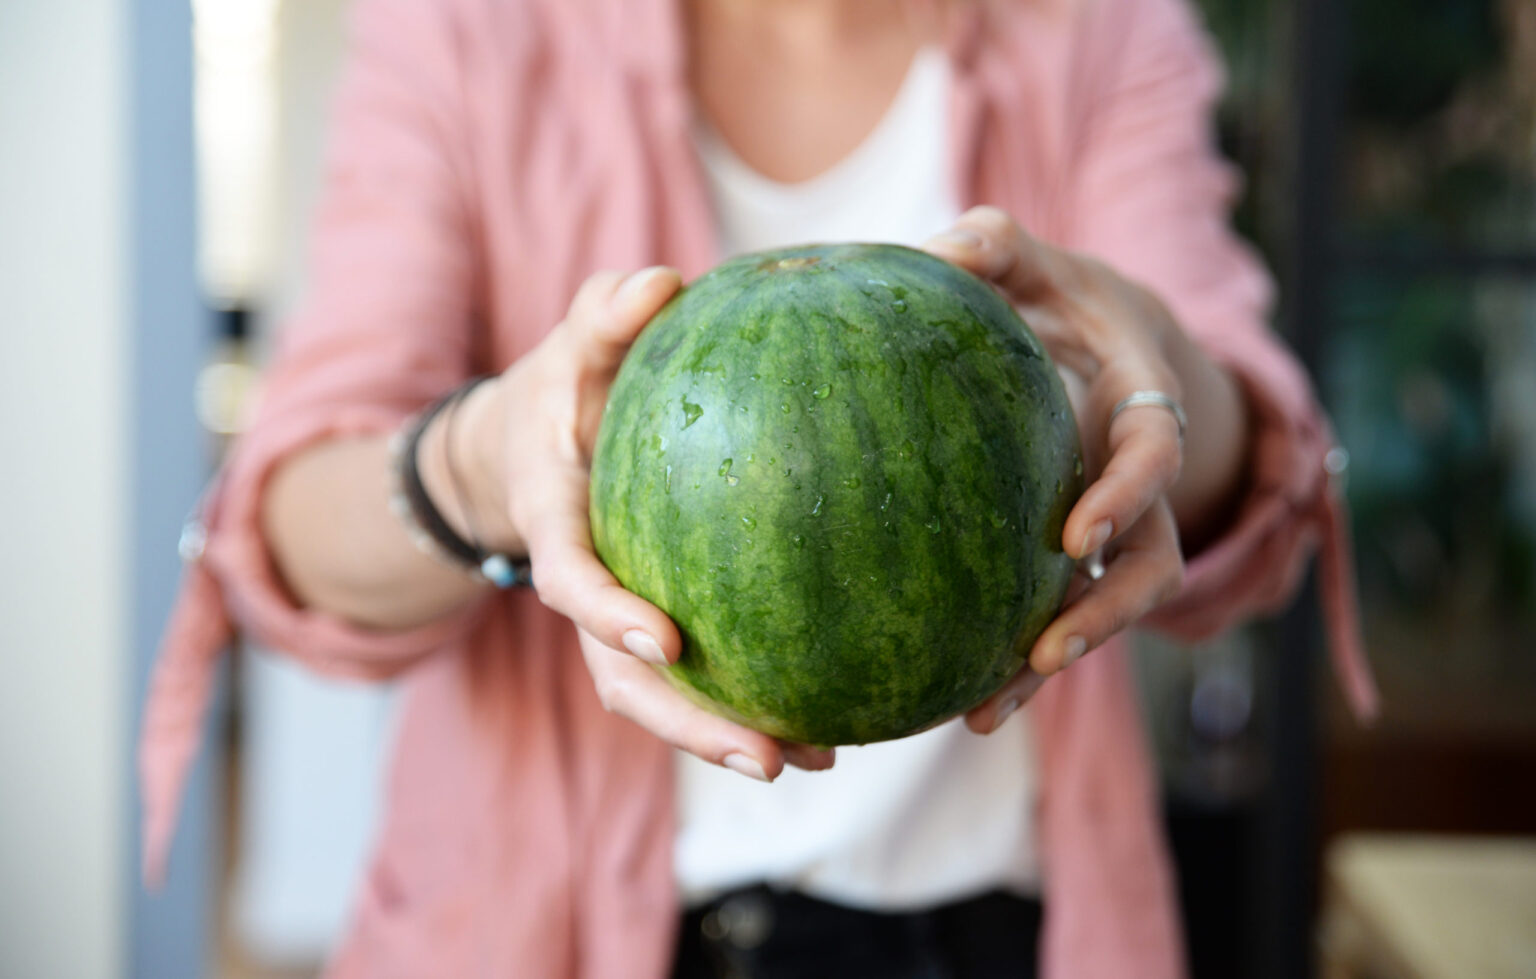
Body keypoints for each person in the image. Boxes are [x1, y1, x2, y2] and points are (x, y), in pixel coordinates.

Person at [140, 0, 1377, 975]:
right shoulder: (473, 26)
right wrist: (485, 455)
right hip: (546, 937)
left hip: (1005, 931)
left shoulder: (1100, 28)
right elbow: (287, 520)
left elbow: (1249, 445)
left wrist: (1152, 372)